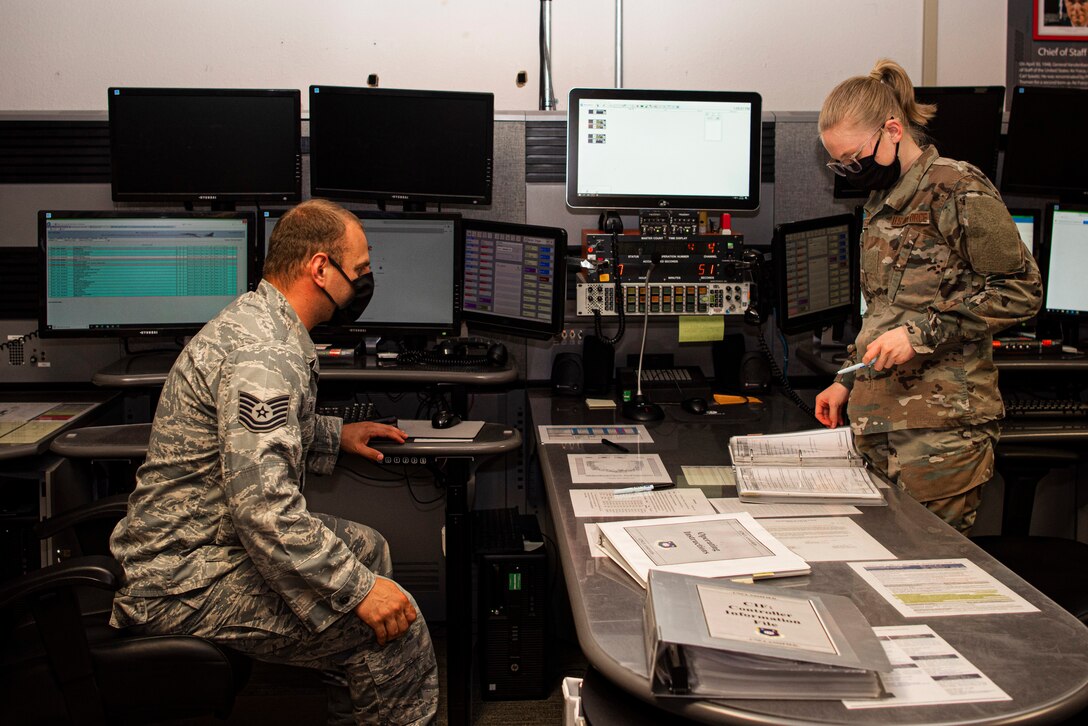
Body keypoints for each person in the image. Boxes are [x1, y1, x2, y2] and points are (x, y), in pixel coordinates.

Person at [109, 199, 438, 725]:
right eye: (360, 271)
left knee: (367, 548)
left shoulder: (261, 319)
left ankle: (352, 710)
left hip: (205, 543)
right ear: (320, 268)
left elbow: (255, 437)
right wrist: (358, 592)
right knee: (399, 632)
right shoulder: (265, 353)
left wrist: (335, 433)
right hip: (184, 579)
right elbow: (264, 510)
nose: (366, 281)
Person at [813, 59, 1043, 534]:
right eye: (839, 164)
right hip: (881, 422)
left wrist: (919, 335)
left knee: (925, 579)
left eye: (854, 159)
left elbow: (1021, 291)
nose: (849, 173)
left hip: (941, 431)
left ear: (893, 130)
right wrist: (847, 380)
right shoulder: (883, 200)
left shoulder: (959, 188)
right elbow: (884, 311)